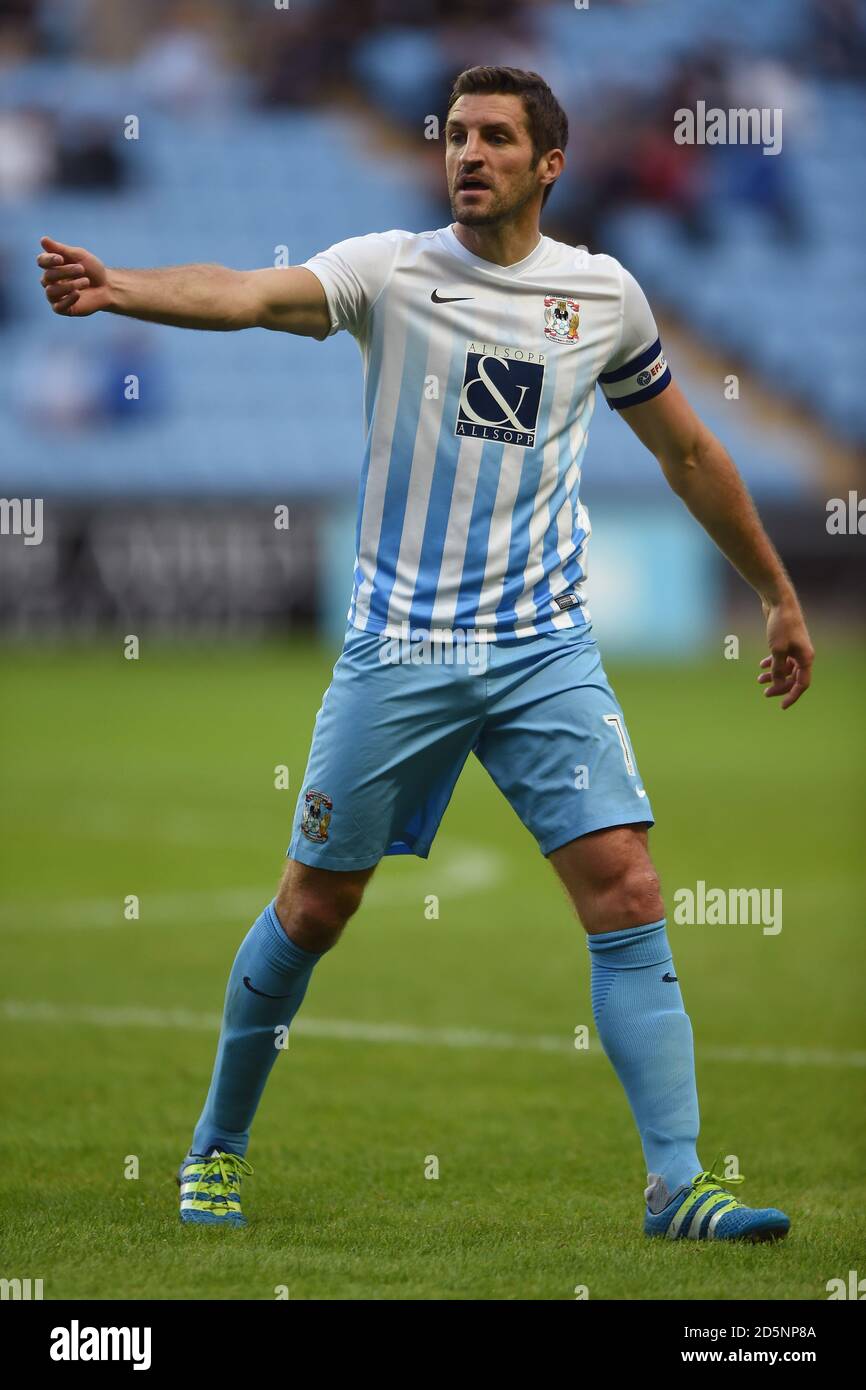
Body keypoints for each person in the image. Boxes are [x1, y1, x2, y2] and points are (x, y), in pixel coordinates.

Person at [37, 65, 814, 1242]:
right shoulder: (389, 271)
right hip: (401, 647)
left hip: (542, 647)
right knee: (315, 905)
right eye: (456, 135)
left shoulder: (599, 296)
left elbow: (692, 454)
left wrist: (774, 593)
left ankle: (674, 1184)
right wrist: (123, 286)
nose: (468, 154)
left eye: (496, 138)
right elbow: (247, 294)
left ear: (548, 164)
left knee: (628, 888)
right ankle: (214, 1147)